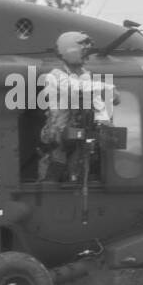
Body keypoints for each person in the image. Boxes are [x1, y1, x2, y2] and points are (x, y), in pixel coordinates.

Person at [37, 31, 119, 182]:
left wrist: (107, 124)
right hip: (59, 141)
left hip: (78, 142)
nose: (86, 55)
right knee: (53, 176)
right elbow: (74, 88)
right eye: (83, 50)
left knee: (80, 175)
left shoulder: (86, 76)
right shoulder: (54, 76)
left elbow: (96, 102)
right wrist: (106, 88)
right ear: (70, 51)